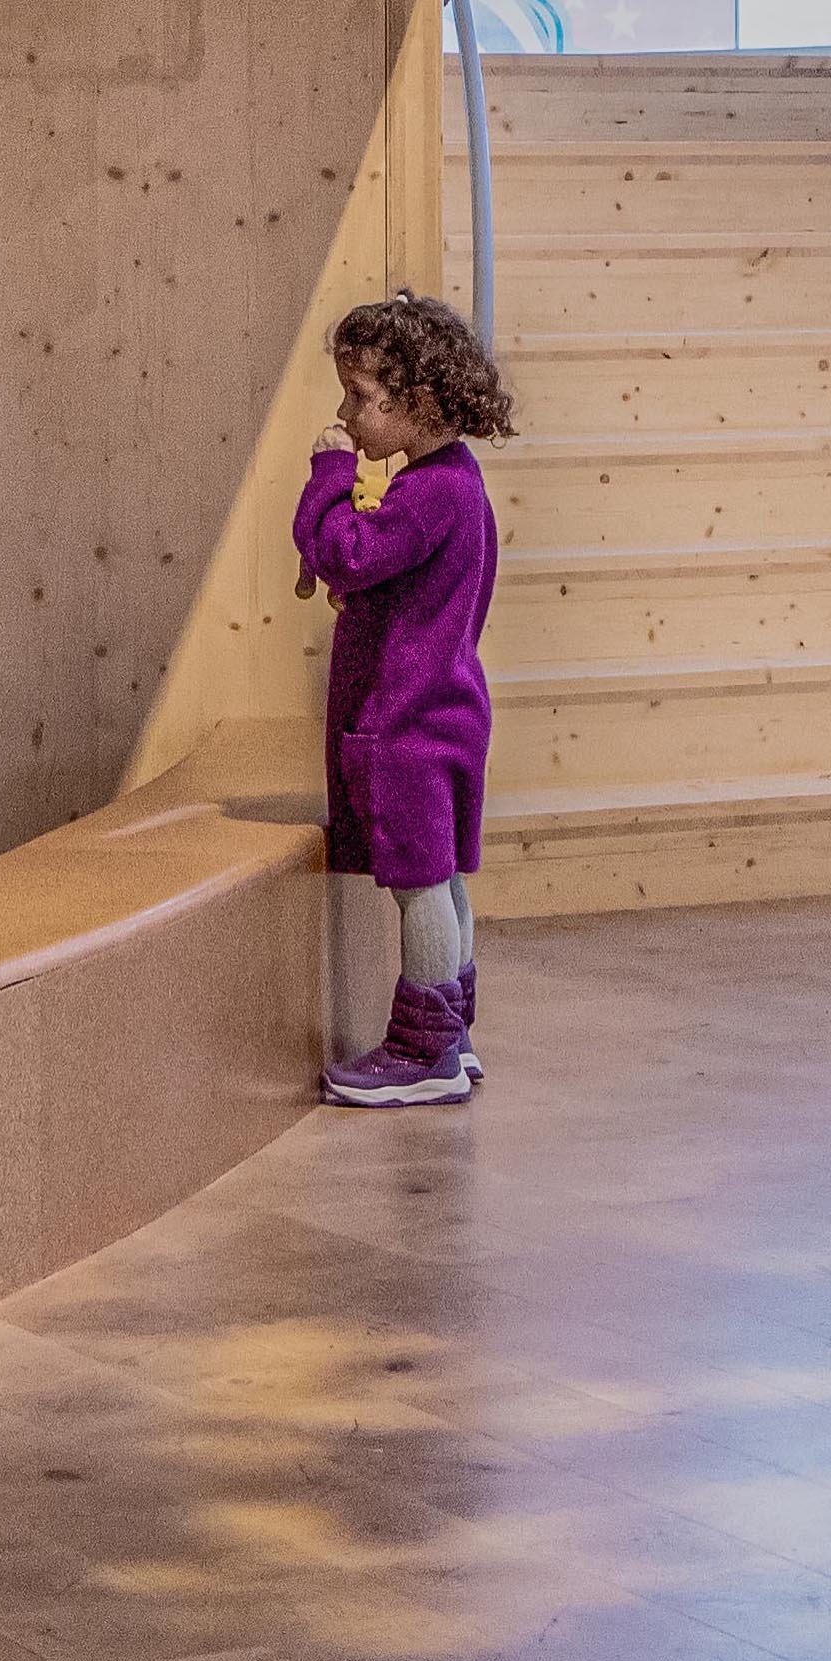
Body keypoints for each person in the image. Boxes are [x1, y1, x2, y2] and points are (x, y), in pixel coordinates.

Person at [298, 292, 511, 1108]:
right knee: (442, 878)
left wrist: (327, 477)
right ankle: (450, 1034)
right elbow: (400, 584)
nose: (345, 415)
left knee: (419, 884)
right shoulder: (453, 482)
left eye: (360, 397)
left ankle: (422, 1054)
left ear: (416, 402)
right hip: (443, 712)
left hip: (407, 725)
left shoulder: (427, 492)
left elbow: (345, 552)